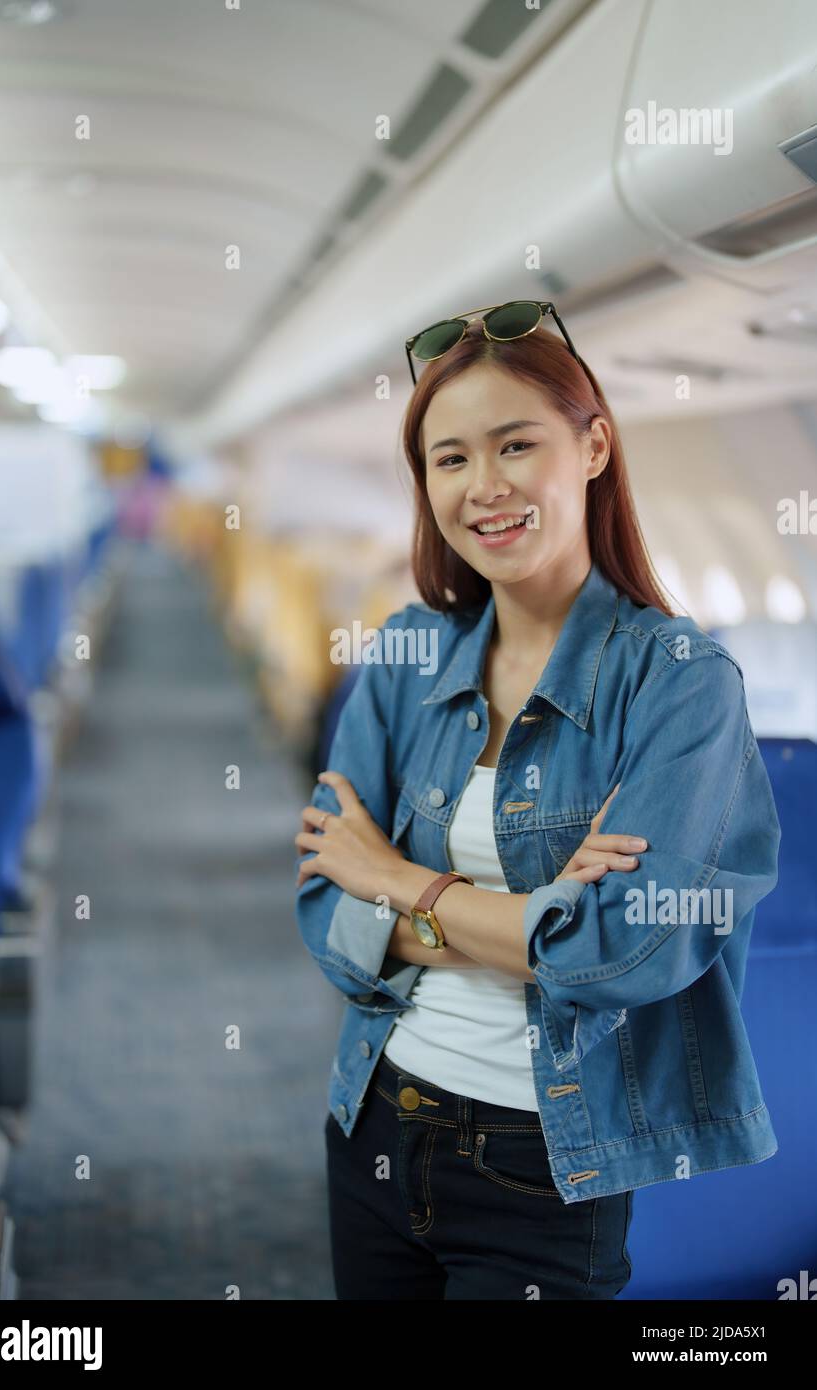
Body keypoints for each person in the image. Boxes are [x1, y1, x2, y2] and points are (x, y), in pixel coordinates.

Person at [294, 303, 781, 1301]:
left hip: (547, 1162)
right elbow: (322, 908)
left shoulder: (680, 682)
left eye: (515, 444)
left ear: (592, 444)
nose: (485, 487)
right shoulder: (403, 652)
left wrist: (395, 880)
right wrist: (532, 919)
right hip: (378, 1121)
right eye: (450, 459)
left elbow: (618, 950)